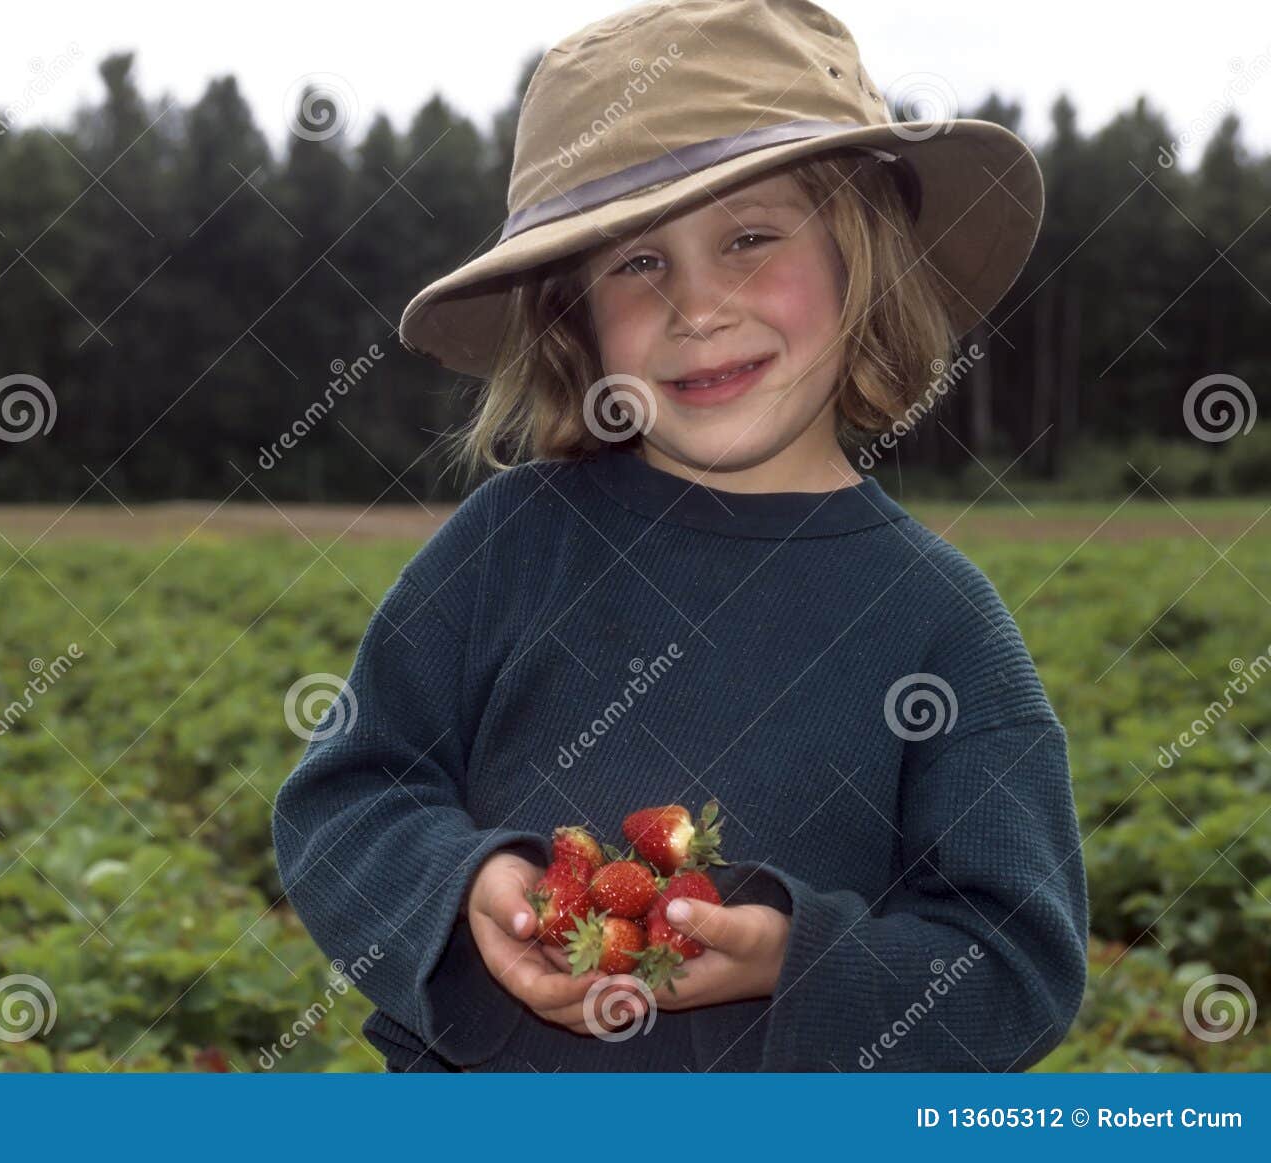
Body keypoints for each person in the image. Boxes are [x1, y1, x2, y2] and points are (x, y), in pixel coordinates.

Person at [272, 0, 1088, 1071]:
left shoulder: (939, 620)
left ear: (858, 260)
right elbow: (348, 795)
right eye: (635, 263)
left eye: (750, 238)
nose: (696, 305)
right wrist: (462, 884)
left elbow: (1014, 967)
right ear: (575, 320)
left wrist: (801, 959)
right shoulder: (510, 543)